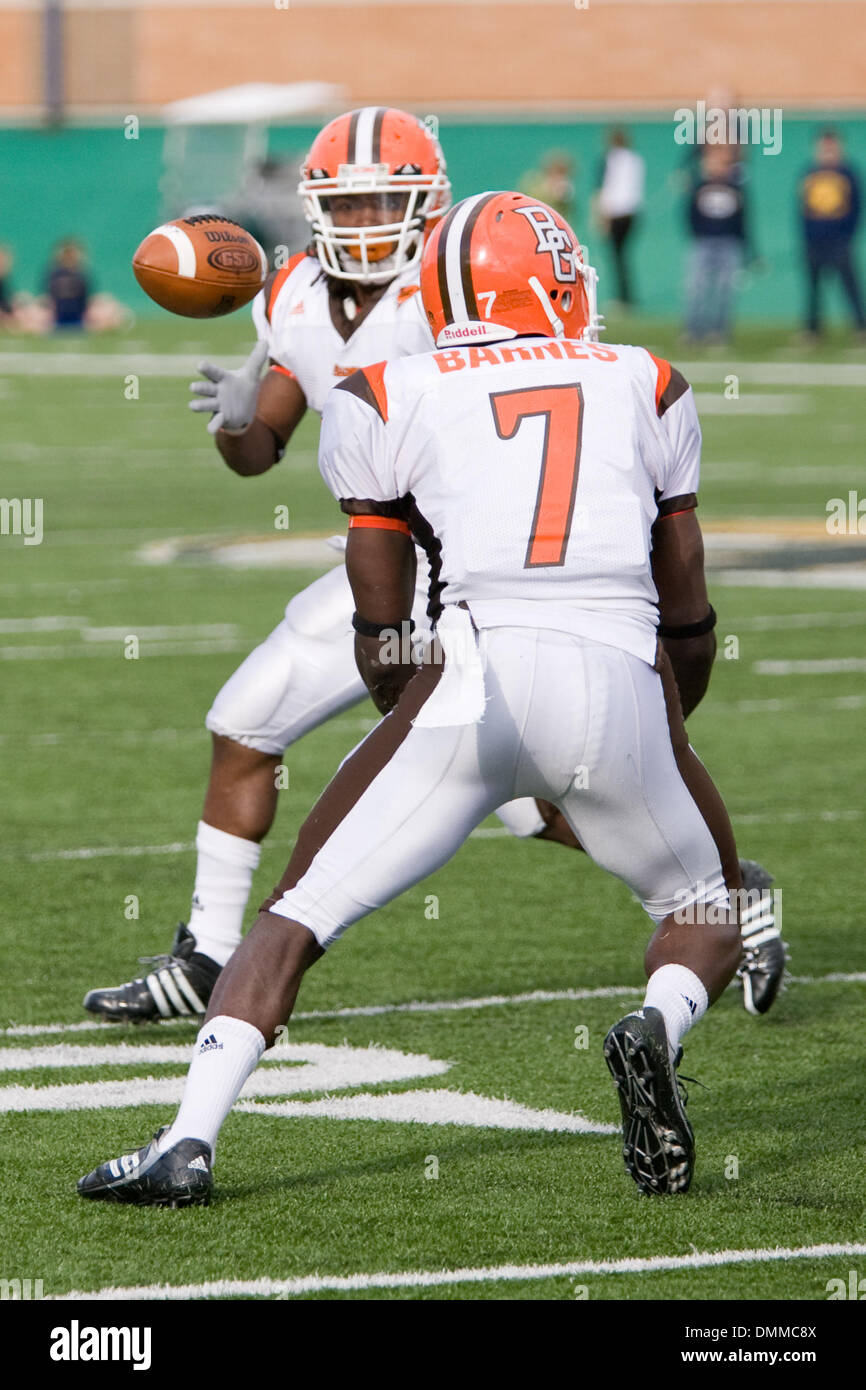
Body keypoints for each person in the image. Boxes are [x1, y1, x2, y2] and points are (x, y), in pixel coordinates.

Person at [78, 191, 748, 1207]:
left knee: (295, 916)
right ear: (562, 281)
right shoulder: (646, 379)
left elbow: (377, 600)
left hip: (471, 681)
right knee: (708, 906)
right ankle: (654, 1023)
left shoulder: (391, 387)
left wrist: (405, 705)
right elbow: (685, 593)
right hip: (618, 677)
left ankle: (187, 1140)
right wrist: (670, 723)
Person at [82, 108, 588, 1028]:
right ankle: (204, 956)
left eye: (379, 204)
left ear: (427, 206)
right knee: (242, 724)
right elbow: (259, 449)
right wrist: (237, 415)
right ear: (315, 208)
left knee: (524, 793)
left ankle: (712, 888)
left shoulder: (455, 291)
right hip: (375, 569)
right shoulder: (295, 295)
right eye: (345, 205)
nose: (361, 224)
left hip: (464, 578)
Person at [798, 129, 866, 340]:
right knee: (813, 288)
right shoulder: (809, 173)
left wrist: (848, 235)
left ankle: (860, 326)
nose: (828, 152)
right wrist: (806, 236)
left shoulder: (848, 174)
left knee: (850, 286)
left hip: (840, 240)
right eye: (824, 147)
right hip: (814, 240)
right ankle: (813, 329)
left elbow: (856, 207)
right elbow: (802, 209)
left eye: (832, 147)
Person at [682, 145, 750, 345]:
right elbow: (690, 214)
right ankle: (693, 331)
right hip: (704, 242)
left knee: (724, 290)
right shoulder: (700, 186)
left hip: (728, 242)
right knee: (697, 287)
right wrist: (696, 233)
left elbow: (743, 218)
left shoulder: (735, 187)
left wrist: (744, 244)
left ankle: (719, 332)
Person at [594, 128, 644, 306]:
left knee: (617, 257)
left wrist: (601, 217)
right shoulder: (635, 160)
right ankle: (627, 296)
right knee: (623, 256)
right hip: (632, 213)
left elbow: (604, 189)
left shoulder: (609, 160)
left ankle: (623, 298)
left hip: (615, 213)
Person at [44, 239, 92, 329]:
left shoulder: (81, 273)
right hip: (58, 317)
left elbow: (86, 298)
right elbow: (47, 296)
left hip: (78, 317)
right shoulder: (54, 274)